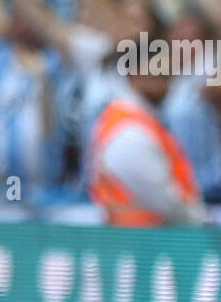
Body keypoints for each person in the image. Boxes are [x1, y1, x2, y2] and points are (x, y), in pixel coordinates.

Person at [86, 35, 204, 226]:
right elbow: (161, 198)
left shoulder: (142, 120)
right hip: (141, 239)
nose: (166, 84)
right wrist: (197, 219)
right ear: (135, 74)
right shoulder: (129, 129)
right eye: (159, 74)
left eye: (168, 75)